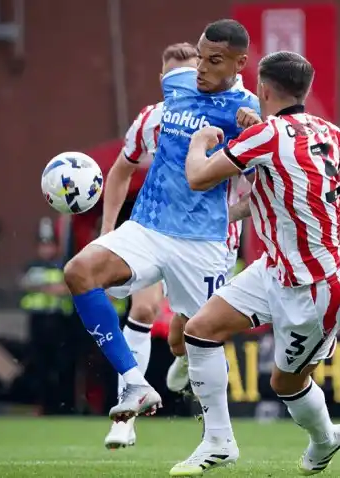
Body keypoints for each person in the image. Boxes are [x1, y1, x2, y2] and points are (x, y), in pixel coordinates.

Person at [171, 50, 340, 476]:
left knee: (284, 383)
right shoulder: (327, 131)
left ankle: (325, 439)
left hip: (316, 289)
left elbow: (198, 177)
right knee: (199, 330)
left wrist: (198, 145)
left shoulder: (265, 136)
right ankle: (218, 441)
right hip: (274, 269)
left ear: (264, 89)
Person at [62, 19, 260, 424]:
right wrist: (107, 234)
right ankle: (135, 384)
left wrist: (233, 208)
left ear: (239, 64)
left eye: (213, 61)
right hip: (149, 227)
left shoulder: (248, 115)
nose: (200, 69)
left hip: (206, 241)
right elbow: (121, 168)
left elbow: (262, 188)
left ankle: (206, 406)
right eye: (198, 58)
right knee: (80, 272)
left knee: (184, 339)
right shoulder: (170, 96)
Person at [20, 220, 78, 415]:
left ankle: (65, 407)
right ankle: (44, 406)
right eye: (43, 245)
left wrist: (47, 288)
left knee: (63, 367)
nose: (46, 249)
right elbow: (25, 285)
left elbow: (67, 289)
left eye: (49, 244)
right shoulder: (31, 266)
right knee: (40, 366)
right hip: (38, 321)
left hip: (60, 321)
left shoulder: (64, 264)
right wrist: (50, 289)